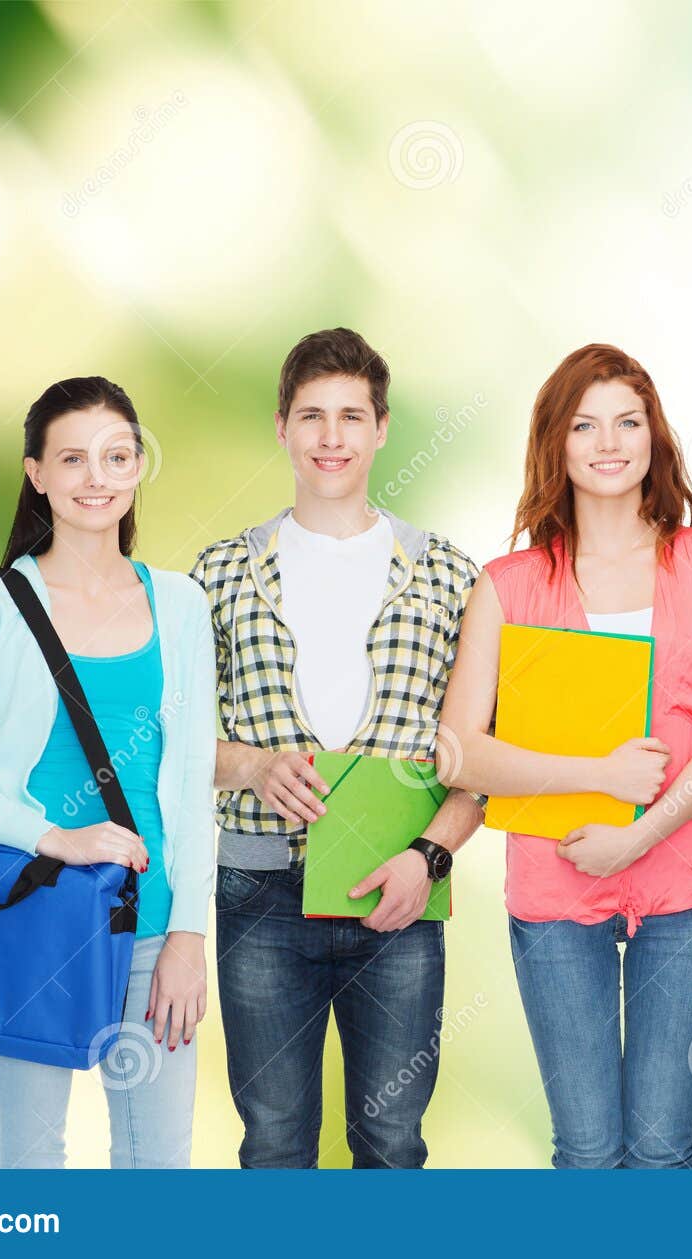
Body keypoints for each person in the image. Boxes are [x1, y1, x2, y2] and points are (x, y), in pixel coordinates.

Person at [438, 343, 692, 1168]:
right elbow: (457, 752)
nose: (609, 441)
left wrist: (638, 832)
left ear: (655, 435)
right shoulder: (508, 583)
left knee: (661, 1145)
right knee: (586, 1147)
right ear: (557, 443)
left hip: (686, 877)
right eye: (585, 424)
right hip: (553, 880)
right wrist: (597, 777)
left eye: (628, 420)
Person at [190, 328, 483, 1169]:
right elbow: (167, 743)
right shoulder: (218, 573)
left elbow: (480, 761)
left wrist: (427, 860)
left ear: (381, 428)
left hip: (398, 892)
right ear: (280, 426)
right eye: (311, 415)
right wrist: (250, 765)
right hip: (260, 891)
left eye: (351, 416)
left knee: (392, 1144)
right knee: (275, 1144)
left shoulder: (451, 576)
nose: (331, 436)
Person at [0, 376, 217, 1168]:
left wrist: (188, 932)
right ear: (37, 472)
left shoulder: (181, 604)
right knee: (30, 1158)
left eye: (117, 457)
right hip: (35, 914)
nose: (97, 477)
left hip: (151, 926)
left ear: (138, 468)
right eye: (73, 458)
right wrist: (59, 837)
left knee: (158, 1165)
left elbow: (190, 782)